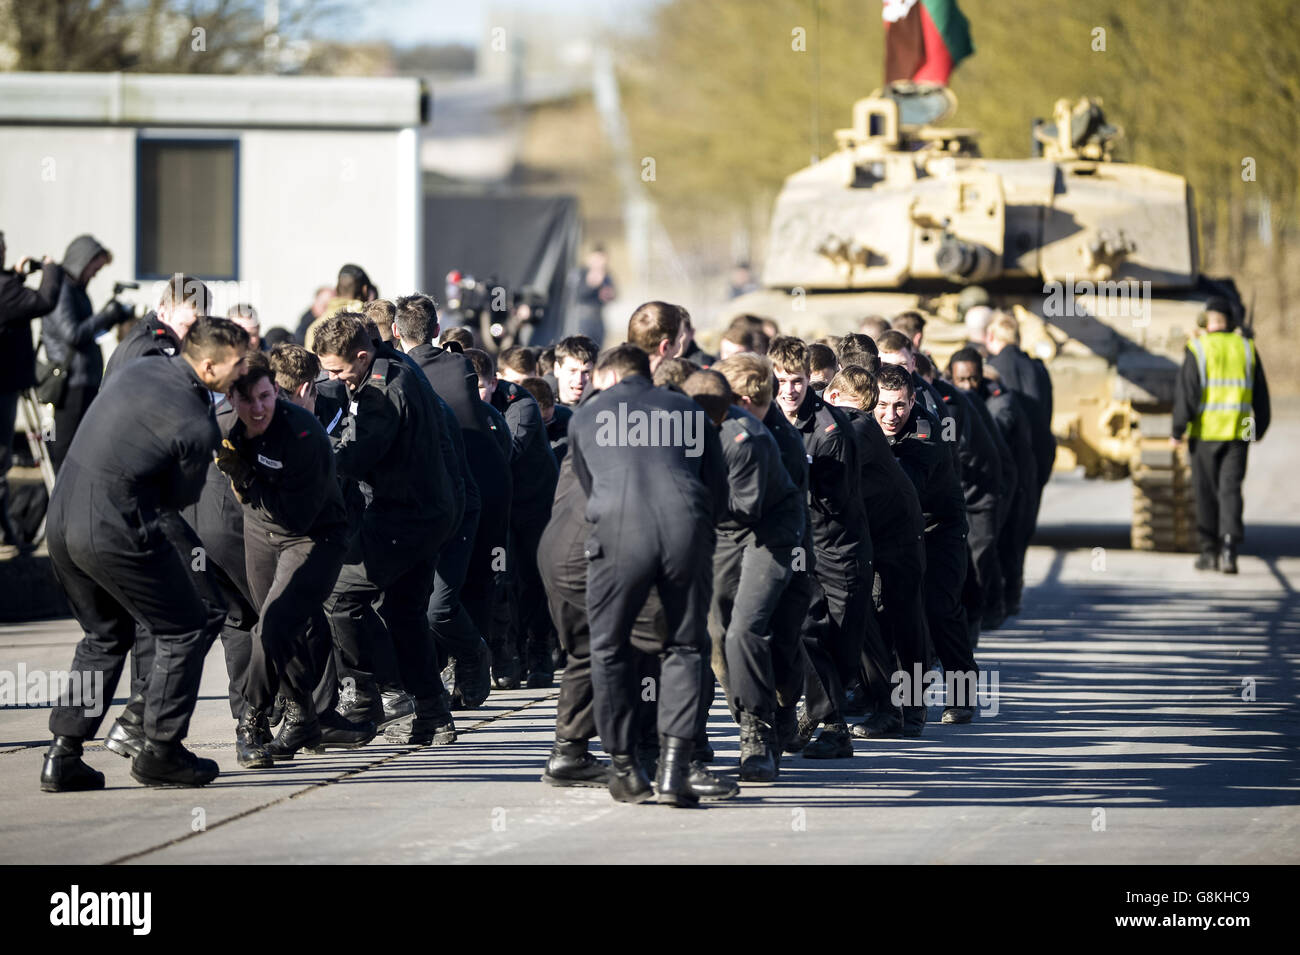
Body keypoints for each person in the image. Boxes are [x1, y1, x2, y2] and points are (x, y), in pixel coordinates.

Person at [39, 318, 250, 792]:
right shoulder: (198, 426)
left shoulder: (138, 368)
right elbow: (178, 501)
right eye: (238, 365)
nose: (244, 372)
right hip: (115, 528)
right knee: (186, 626)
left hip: (63, 520)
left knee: (104, 635)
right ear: (210, 365)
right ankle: (161, 751)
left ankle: (62, 756)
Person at [568, 344, 734, 806]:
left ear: (608, 375)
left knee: (608, 647)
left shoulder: (586, 415)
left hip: (618, 530)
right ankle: (674, 770)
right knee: (685, 646)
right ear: (650, 371)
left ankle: (625, 768)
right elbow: (716, 487)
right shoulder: (687, 408)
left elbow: (589, 486)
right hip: (686, 526)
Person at [312, 313, 460, 747]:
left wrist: (313, 457)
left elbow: (357, 454)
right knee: (404, 613)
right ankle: (432, 714)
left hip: (405, 518)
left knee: (338, 593)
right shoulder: (391, 367)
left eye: (337, 370)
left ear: (362, 355)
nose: (332, 379)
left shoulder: (380, 390)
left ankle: (364, 696)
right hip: (424, 512)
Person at [217, 354, 358, 765]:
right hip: (260, 533)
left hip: (314, 534)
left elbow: (295, 516)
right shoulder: (225, 428)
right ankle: (301, 716)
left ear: (276, 392)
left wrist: (244, 477)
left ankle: (252, 721)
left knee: (272, 625)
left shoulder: (302, 433)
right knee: (282, 629)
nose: (258, 408)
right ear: (231, 400)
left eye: (265, 396)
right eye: (247, 401)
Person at [686, 369, 803, 781]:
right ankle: (747, 714)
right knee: (713, 631)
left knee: (745, 629)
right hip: (722, 530)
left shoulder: (743, 438)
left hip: (768, 530)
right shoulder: (680, 428)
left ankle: (758, 731)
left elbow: (743, 507)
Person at [393, 294, 496, 707]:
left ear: (395, 332)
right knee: (422, 603)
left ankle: (473, 655)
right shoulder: (457, 365)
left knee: (439, 604)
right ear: (437, 330)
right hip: (423, 504)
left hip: (454, 501)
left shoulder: (402, 375)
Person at [770, 336, 870, 758]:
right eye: (780, 381)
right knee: (803, 631)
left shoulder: (830, 428)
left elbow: (829, 502)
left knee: (841, 644)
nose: (789, 390)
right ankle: (829, 724)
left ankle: (817, 716)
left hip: (836, 547)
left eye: (796, 381)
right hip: (794, 546)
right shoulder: (769, 420)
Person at [823, 365, 929, 739]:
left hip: (899, 533)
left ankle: (912, 709)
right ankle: (883, 704)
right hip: (869, 533)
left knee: (906, 620)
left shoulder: (860, 427)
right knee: (865, 615)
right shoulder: (845, 423)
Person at [873, 363, 979, 724]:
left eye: (900, 405)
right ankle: (898, 698)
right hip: (897, 530)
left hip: (939, 529)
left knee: (938, 607)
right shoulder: (866, 422)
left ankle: (963, 696)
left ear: (914, 400)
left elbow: (904, 489)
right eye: (883, 405)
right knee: (892, 611)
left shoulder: (925, 430)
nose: (891, 415)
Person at [471, 347, 561, 687]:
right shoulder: (463, 400)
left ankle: (538, 650)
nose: (474, 394)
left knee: (533, 579)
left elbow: (506, 451)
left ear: (494, 382)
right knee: (500, 578)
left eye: (479, 387)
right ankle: (505, 653)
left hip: (533, 503)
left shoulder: (520, 405)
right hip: (499, 505)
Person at [1172, 296, 1271, 573]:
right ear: (1230, 321)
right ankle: (1229, 549)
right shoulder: (1247, 348)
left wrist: (1177, 430)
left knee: (1205, 492)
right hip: (1239, 433)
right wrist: (1258, 429)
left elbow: (1187, 395)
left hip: (1204, 433)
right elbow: (1259, 396)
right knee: (1230, 490)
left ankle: (1208, 552)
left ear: (1207, 321)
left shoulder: (1198, 348)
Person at [949, 348, 1036, 617]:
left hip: (997, 488)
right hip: (973, 489)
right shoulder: (951, 402)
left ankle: (994, 607)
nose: (967, 386)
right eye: (961, 380)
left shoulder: (999, 404)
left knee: (988, 549)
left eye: (973, 379)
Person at [0, 231, 63, 556]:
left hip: (10, 384)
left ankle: (9, 534)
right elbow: (44, 301)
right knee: (1, 461)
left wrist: (17, 274)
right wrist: (51, 269)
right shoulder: (6, 292)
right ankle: (6, 534)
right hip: (6, 386)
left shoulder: (6, 285)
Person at [40, 235, 120, 469]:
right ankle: (60, 502)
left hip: (83, 380)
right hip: (70, 384)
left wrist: (113, 317)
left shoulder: (76, 289)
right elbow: (72, 334)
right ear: (82, 262)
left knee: (82, 447)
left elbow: (85, 331)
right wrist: (107, 315)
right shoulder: (63, 289)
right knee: (66, 449)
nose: (94, 275)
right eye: (94, 269)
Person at [986, 311, 1055, 528]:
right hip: (1038, 456)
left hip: (1006, 460)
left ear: (990, 337)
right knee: (1021, 532)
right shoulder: (1039, 368)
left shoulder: (990, 369)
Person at [103, 274, 211, 382]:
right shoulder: (155, 351)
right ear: (163, 313)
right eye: (188, 326)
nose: (196, 335)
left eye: (200, 328)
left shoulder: (147, 339)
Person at [572, 246, 616, 346]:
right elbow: (578, 294)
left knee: (598, 348)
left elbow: (613, 294)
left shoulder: (606, 275)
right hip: (583, 318)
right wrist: (592, 283)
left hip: (598, 317)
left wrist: (609, 295)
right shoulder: (581, 273)